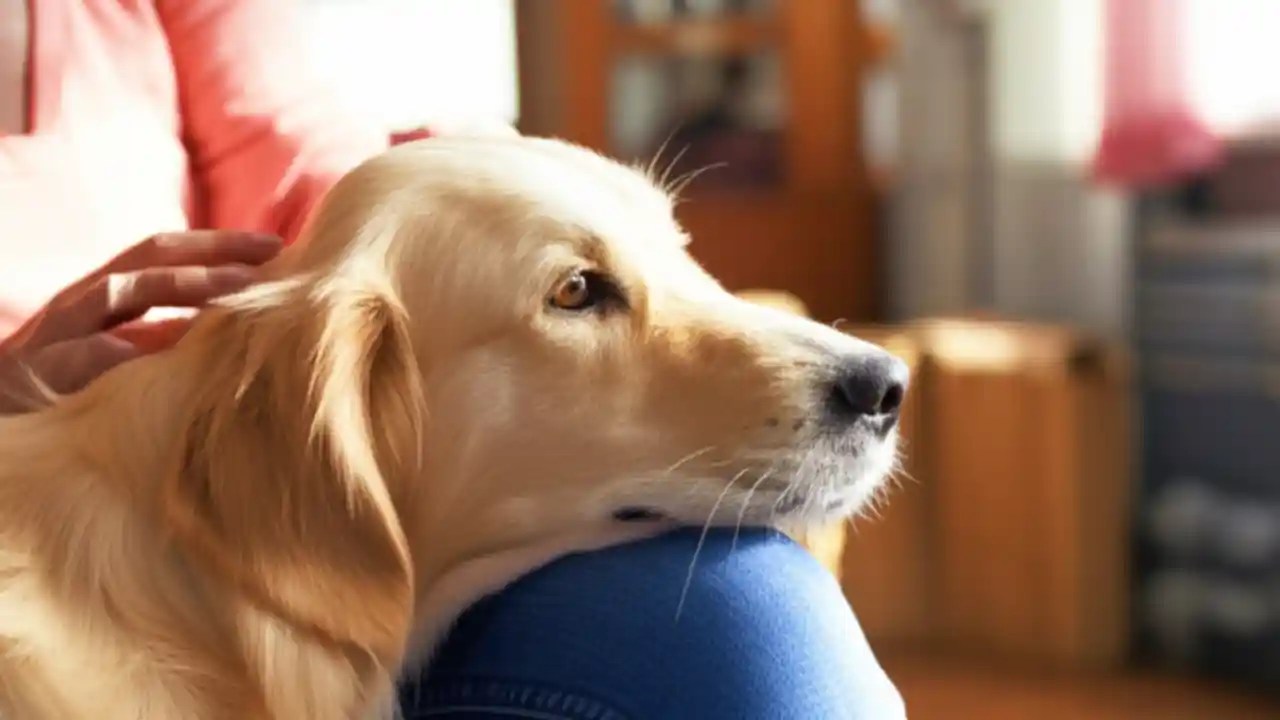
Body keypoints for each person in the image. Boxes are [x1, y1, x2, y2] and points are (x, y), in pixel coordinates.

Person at [0, 1, 905, 717]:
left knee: (755, 619)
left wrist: (509, 201)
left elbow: (317, 167)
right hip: (223, 545)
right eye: (581, 297)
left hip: (351, 554)